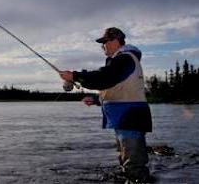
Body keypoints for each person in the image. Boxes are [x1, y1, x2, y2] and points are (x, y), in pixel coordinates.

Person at [59, 27, 152, 183]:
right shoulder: (121, 61)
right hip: (125, 118)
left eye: (105, 42)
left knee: (134, 165)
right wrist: (96, 100)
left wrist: (75, 75)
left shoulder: (125, 58)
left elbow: (105, 78)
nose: (103, 46)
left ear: (116, 40)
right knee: (126, 161)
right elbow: (115, 87)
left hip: (130, 117)